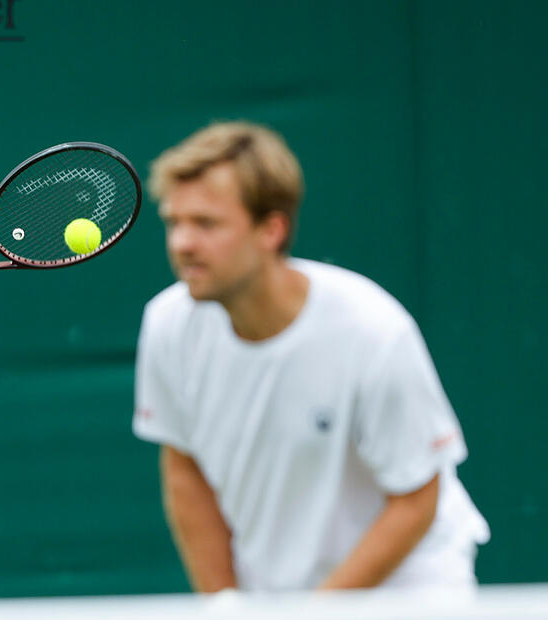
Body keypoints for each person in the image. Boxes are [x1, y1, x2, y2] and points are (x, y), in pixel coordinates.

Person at [132, 121, 489, 592]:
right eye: (174, 223)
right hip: (281, 595)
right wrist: (224, 604)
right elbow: (185, 468)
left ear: (271, 229)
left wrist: (314, 612)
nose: (181, 244)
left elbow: (417, 499)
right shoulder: (168, 324)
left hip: (410, 593)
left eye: (206, 224)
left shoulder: (373, 331)